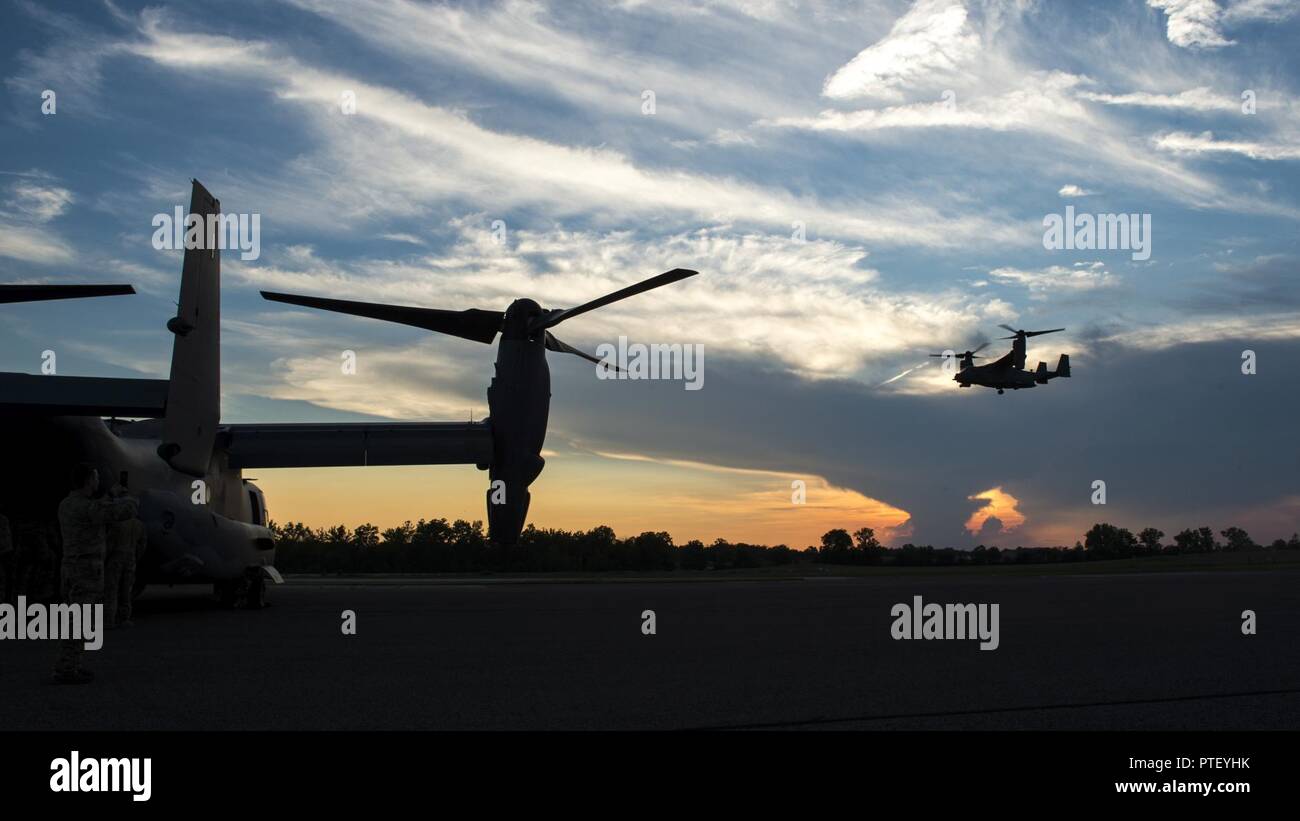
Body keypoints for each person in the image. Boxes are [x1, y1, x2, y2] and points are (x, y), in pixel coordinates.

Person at [52, 463, 138, 684]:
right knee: (79, 621)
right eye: (96, 478)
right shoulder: (87, 508)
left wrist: (112, 494)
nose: (98, 481)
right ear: (89, 480)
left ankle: (72, 665)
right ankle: (67, 669)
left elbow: (96, 508)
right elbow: (120, 512)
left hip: (71, 569)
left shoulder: (67, 504)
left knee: (76, 619)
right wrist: (131, 498)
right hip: (86, 571)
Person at [104, 482, 146, 628]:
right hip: (131, 559)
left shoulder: (116, 523)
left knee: (111, 588)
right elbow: (142, 545)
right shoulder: (139, 524)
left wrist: (105, 558)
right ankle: (124, 618)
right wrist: (135, 557)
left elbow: (109, 542)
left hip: (115, 558)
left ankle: (109, 619)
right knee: (126, 589)